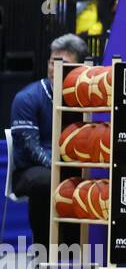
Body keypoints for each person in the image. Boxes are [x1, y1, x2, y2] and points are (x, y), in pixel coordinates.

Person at [9, 34, 88, 252]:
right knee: (46, 182)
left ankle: (74, 250)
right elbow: (30, 148)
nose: (57, 69)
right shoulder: (27, 98)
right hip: (30, 170)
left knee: (84, 183)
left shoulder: (84, 100)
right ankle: (42, 251)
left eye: (65, 64)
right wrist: (59, 168)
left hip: (66, 165)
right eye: (54, 62)